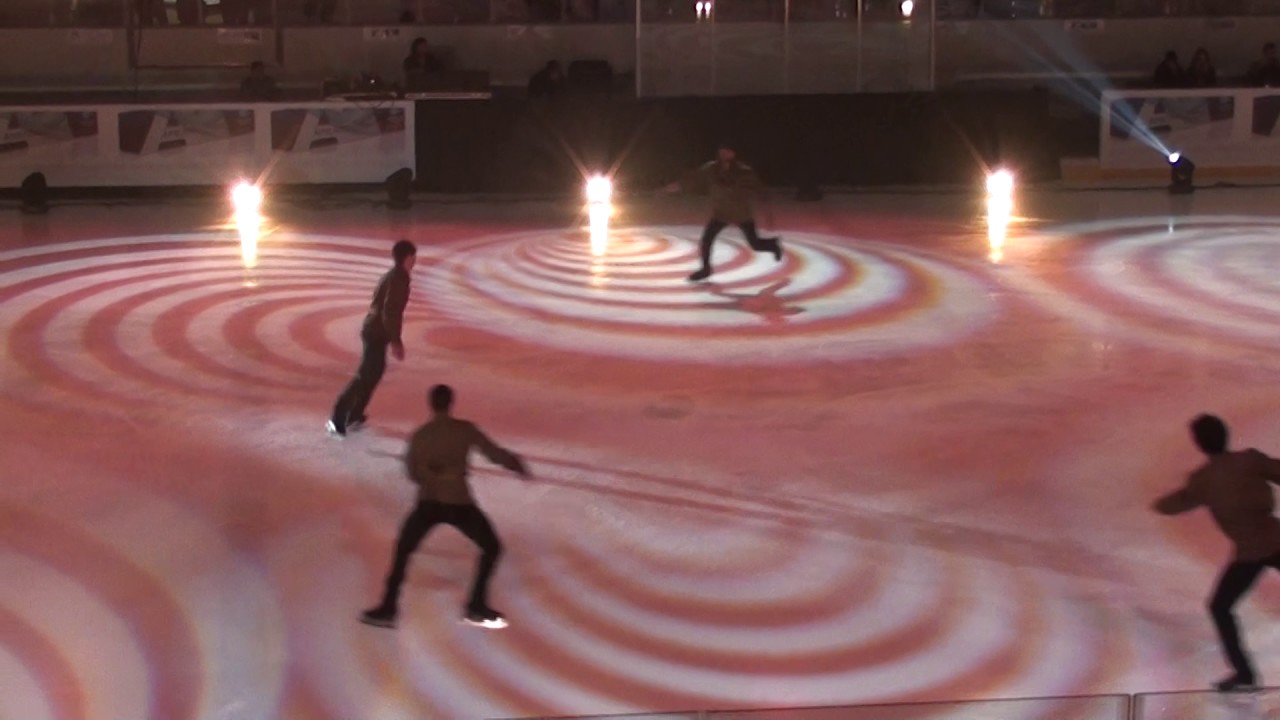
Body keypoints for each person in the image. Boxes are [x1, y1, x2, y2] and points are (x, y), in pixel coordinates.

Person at [361, 384, 530, 629]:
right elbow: (494, 454)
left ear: (431, 404)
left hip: (429, 503)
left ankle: (388, 607)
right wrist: (516, 464)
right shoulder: (464, 430)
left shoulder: (421, 435)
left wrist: (431, 476)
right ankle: (476, 604)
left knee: (404, 549)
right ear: (450, 402)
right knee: (491, 548)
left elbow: (412, 473)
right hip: (459, 503)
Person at [1152, 414, 1280, 692]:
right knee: (1220, 607)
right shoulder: (1249, 460)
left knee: (1220, 608)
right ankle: (1243, 674)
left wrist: (1157, 504)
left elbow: (1177, 503)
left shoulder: (1203, 480)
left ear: (1199, 443)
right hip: (1273, 540)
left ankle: (1244, 673)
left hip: (1251, 551)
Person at [327, 239, 416, 437]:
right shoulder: (399, 278)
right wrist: (396, 341)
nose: (415, 261)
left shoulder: (394, 276)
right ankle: (338, 417)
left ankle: (355, 414)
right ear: (406, 257)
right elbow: (390, 311)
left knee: (374, 373)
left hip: (376, 331)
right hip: (376, 333)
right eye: (413, 257)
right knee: (366, 375)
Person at [665, 141, 783, 282]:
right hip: (721, 213)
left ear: (734, 153)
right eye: (722, 150)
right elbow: (694, 178)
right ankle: (706, 269)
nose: (724, 153)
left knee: (755, 244)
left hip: (741, 214)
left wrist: (768, 213)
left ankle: (772, 245)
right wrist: (679, 186)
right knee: (706, 240)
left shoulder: (745, 172)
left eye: (727, 150)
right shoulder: (711, 168)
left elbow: (760, 191)